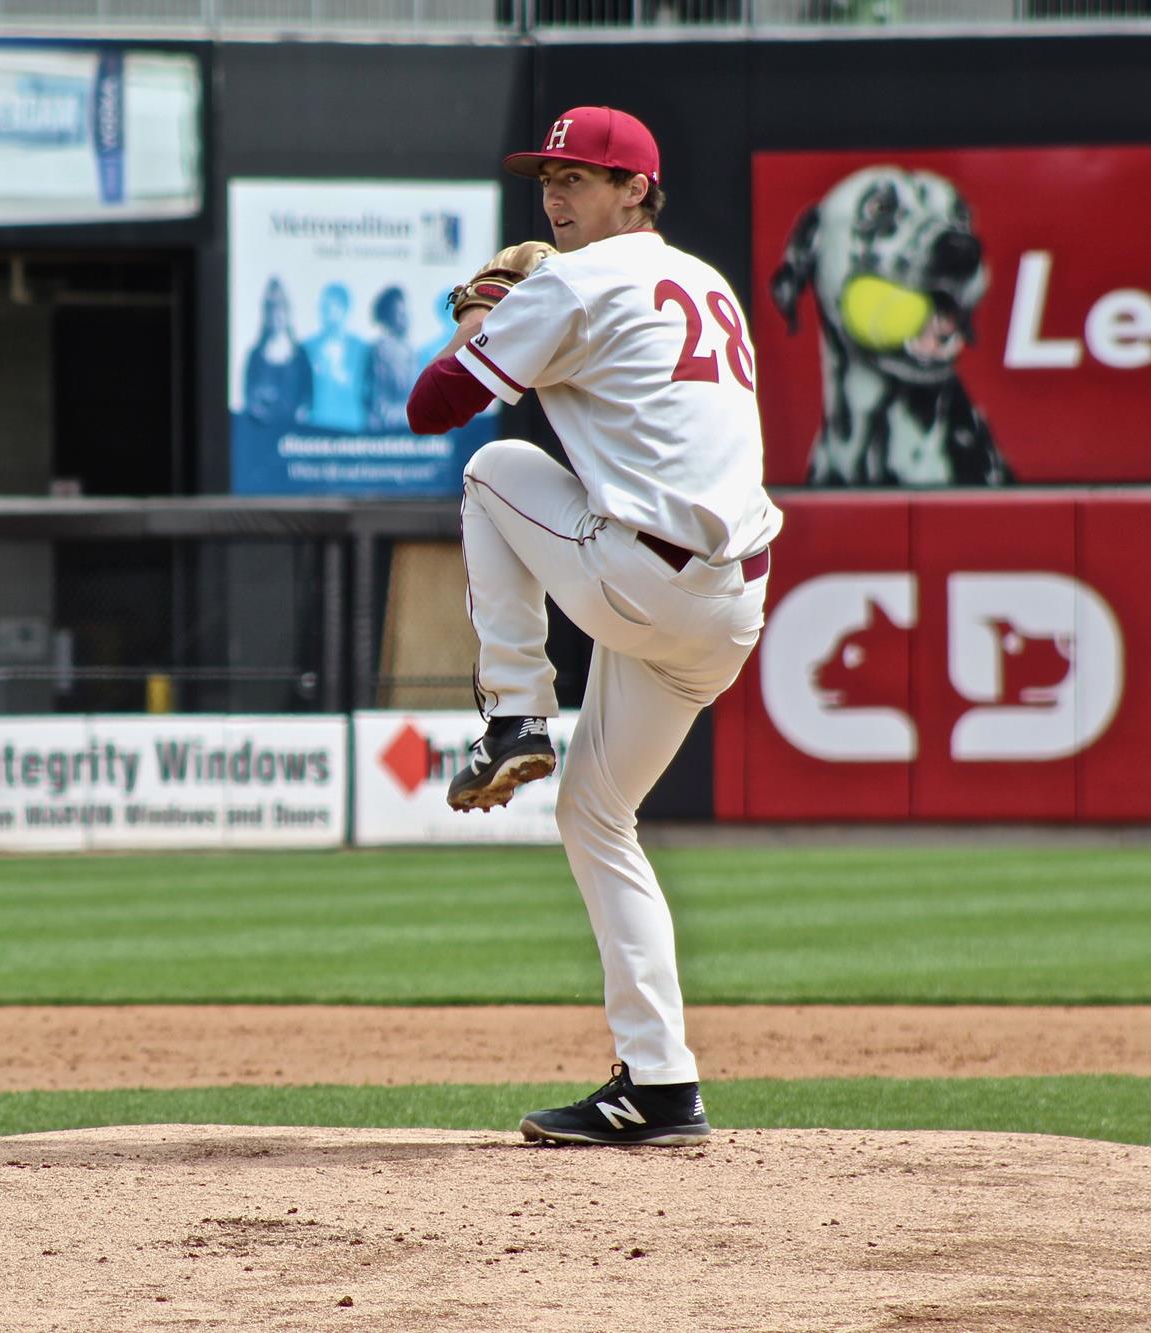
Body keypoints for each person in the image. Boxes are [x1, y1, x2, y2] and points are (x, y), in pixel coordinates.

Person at [405, 106, 782, 1147]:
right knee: (595, 817)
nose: (556, 194)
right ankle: (659, 1087)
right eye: (548, 177)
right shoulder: (703, 280)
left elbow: (434, 406)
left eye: (581, 177)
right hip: (726, 606)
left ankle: (516, 714)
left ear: (636, 191)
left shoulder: (567, 284)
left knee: (488, 471)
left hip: (642, 580)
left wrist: (482, 322)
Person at [241, 277, 313, 431]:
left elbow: (308, 395)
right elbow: (248, 395)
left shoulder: (300, 354)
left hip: (293, 435)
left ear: (288, 313)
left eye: (281, 310)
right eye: (272, 311)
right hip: (262, 431)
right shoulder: (255, 355)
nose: (277, 316)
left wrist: (301, 416)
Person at [302, 283, 369, 433]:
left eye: (328, 307)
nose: (323, 313)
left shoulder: (362, 349)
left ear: (344, 309)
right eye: (322, 307)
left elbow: (367, 391)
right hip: (318, 428)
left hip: (352, 427)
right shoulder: (307, 348)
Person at [364, 286, 419, 432]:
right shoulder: (381, 350)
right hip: (387, 429)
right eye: (400, 314)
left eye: (406, 313)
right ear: (389, 317)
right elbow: (378, 399)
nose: (406, 318)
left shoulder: (409, 350)